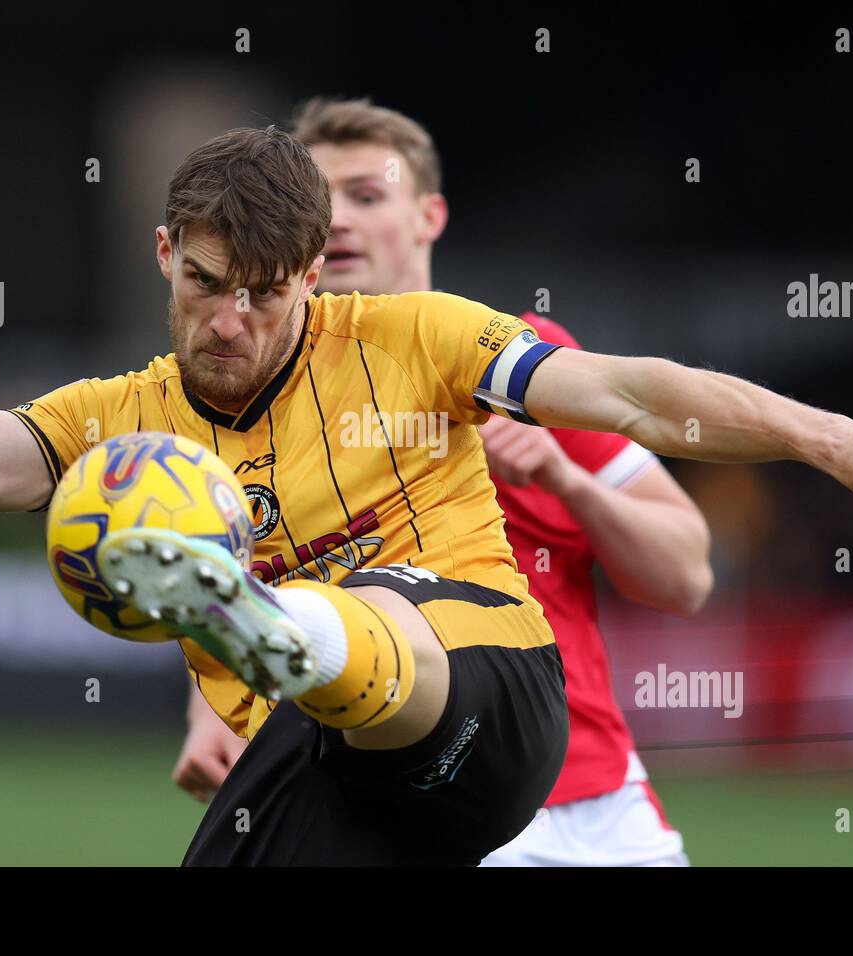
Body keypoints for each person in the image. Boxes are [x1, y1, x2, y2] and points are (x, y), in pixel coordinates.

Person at [0, 126, 853, 866]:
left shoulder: (418, 339)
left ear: (311, 278)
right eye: (203, 285)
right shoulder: (111, 416)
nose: (228, 321)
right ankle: (269, 630)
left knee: (382, 604)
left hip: (488, 701)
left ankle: (269, 620)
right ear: (163, 253)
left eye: (263, 296)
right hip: (329, 775)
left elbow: (626, 392)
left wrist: (831, 435)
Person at [174, 99, 710, 866]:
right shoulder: (259, 395)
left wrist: (567, 479)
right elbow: (252, 576)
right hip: (411, 806)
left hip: (594, 803)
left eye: (367, 195)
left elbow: (687, 574)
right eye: (323, 204)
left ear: (430, 215)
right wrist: (208, 713)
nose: (343, 222)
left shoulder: (530, 368)